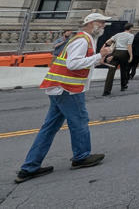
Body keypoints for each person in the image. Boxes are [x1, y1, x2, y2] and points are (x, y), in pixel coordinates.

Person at [15, 13, 113, 183]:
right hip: (67, 89)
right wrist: (99, 55)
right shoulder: (83, 40)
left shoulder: (83, 38)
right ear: (91, 23)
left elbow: (77, 62)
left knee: (50, 127)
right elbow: (72, 64)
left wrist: (100, 59)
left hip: (59, 88)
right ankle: (81, 157)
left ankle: (29, 167)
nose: (104, 25)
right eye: (102, 22)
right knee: (80, 120)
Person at [102, 23, 134, 95]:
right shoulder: (131, 35)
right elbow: (129, 46)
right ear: (130, 28)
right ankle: (123, 85)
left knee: (111, 71)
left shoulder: (118, 34)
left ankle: (106, 90)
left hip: (116, 52)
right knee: (124, 70)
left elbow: (108, 42)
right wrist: (131, 55)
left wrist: (115, 42)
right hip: (124, 52)